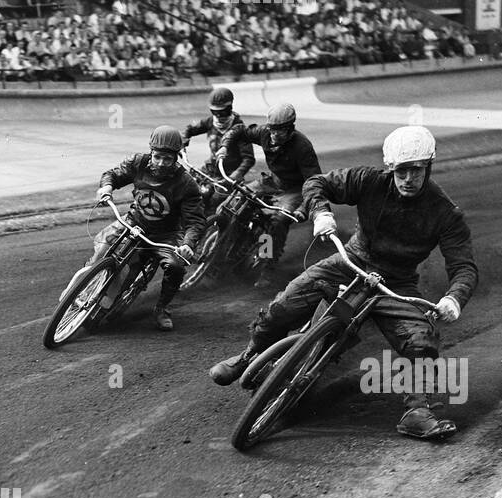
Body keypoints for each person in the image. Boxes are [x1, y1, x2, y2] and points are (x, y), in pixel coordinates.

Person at [206, 125, 477, 441]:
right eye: (400, 171)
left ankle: (417, 411)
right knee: (284, 303)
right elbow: (316, 183)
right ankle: (247, 357)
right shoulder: (369, 180)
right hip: (349, 261)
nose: (407, 179)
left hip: (396, 283)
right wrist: (321, 213)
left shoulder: (445, 212)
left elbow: (464, 267)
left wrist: (453, 299)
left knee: (422, 342)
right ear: (391, 169)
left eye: (415, 170)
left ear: (427, 166)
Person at [74, 125, 205, 332]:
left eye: (168, 159)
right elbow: (114, 174)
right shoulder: (139, 163)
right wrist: (107, 186)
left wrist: (188, 244)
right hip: (134, 221)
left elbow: (195, 221)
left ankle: (162, 308)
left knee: (176, 266)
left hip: (166, 234)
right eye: (157, 157)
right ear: (151, 152)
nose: (161, 163)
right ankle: (82, 286)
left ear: (176, 158)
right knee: (102, 248)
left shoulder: (186, 183)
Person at [220, 101, 321, 286]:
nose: (273, 135)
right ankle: (221, 243)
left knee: (277, 222)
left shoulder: (302, 146)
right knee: (235, 199)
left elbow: (314, 182)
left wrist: (302, 209)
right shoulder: (264, 133)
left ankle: (268, 267)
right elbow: (240, 130)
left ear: (290, 129)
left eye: (279, 130)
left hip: (294, 190)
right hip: (271, 182)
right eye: (272, 129)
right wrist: (225, 145)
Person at [180, 86, 254, 212]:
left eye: (222, 112)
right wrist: (182, 142)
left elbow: (249, 159)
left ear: (230, 108)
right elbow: (189, 129)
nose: (219, 116)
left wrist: (236, 175)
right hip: (209, 170)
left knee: (215, 201)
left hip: (229, 176)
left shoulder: (239, 129)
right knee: (186, 189)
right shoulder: (210, 122)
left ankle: (211, 228)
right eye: (215, 112)